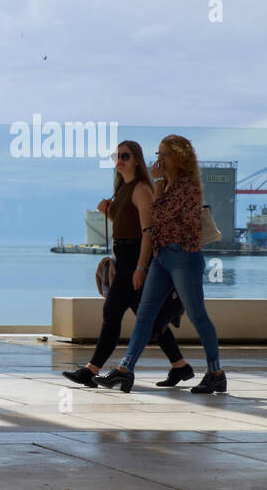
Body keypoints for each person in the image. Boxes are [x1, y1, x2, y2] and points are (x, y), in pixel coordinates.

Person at [96, 135, 227, 394]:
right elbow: (155, 219)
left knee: (198, 315)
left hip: (183, 258)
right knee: (145, 316)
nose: (159, 160)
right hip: (161, 257)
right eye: (158, 154)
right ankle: (124, 370)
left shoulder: (187, 187)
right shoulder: (164, 185)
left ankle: (216, 372)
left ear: (179, 157)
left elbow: (160, 215)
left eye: (164, 154)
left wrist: (156, 183)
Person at [63, 141, 191, 388]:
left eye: (125, 155)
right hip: (125, 258)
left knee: (112, 313)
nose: (119, 159)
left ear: (136, 160)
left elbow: (147, 233)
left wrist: (141, 268)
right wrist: (107, 213)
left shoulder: (142, 189)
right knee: (149, 320)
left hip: (134, 260)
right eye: (117, 155)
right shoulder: (122, 189)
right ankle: (180, 366)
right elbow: (125, 224)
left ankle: (91, 370)